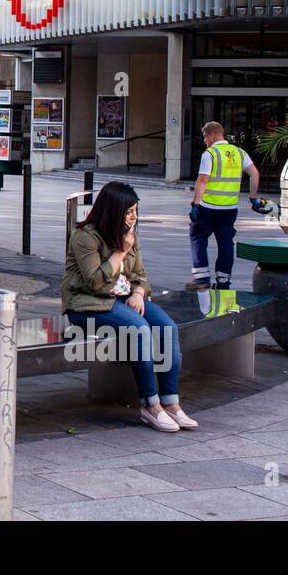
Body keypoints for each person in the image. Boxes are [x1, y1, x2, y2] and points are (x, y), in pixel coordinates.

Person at [63, 181, 197, 433]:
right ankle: (150, 405)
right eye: (128, 211)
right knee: (139, 329)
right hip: (88, 304)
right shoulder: (85, 236)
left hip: (125, 299)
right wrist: (121, 252)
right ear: (112, 210)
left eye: (135, 210)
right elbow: (94, 281)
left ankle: (171, 402)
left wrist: (138, 292)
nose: (134, 217)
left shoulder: (129, 233)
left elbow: (142, 275)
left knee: (167, 328)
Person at [188, 121, 269, 316]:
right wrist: (253, 198)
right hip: (229, 209)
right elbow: (254, 174)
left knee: (198, 238)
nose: (204, 141)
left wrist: (195, 204)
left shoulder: (210, 154)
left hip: (208, 207)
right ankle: (223, 280)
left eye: (205, 137)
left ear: (212, 136)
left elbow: (203, 180)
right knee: (225, 243)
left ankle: (202, 279)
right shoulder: (240, 153)